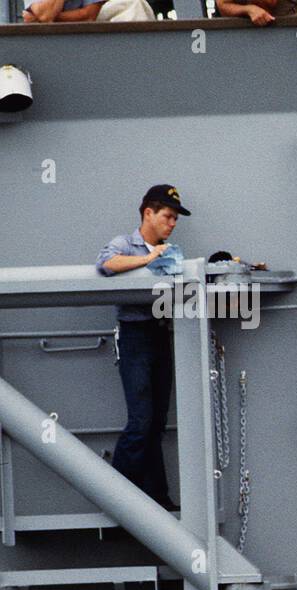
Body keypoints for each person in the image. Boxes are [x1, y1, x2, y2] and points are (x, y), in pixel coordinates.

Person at [95, 185, 193, 511]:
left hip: (160, 334)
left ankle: (157, 498)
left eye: (175, 218)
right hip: (135, 336)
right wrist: (149, 258)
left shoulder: (170, 249)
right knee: (140, 421)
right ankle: (116, 500)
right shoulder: (126, 244)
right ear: (148, 213)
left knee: (155, 424)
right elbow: (106, 264)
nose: (172, 223)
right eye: (168, 215)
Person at [21, 0, 153, 21]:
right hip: (49, 41)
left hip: (85, 31)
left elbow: (88, 16)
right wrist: (43, 18)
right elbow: (45, 15)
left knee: (135, 3)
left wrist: (38, 18)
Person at [214, 0, 297, 27]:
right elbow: (223, 5)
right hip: (241, 36)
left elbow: (269, 2)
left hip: (291, 28)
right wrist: (248, 9)